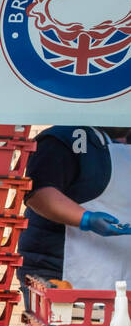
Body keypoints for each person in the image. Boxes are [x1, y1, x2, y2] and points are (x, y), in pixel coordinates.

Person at [19, 125, 131, 305]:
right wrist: (86, 219)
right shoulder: (63, 138)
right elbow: (38, 194)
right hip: (61, 269)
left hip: (121, 273)